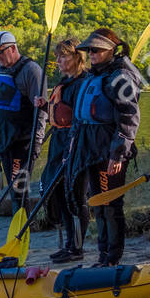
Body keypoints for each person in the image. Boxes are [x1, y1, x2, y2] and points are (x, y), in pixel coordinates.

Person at [67, 29, 143, 267]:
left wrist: (118, 153)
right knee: (97, 203)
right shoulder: (94, 75)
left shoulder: (120, 77)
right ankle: (103, 255)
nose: (91, 54)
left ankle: (112, 257)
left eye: (96, 50)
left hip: (110, 153)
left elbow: (129, 117)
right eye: (89, 50)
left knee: (110, 205)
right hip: (90, 151)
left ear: (111, 50)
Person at [0, 30, 48, 206]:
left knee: (19, 190)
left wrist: (37, 140)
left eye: (0, 52)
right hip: (3, 141)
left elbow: (42, 109)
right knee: (14, 190)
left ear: (12, 48)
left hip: (22, 142)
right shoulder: (0, 70)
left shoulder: (32, 71)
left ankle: (22, 229)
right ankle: (17, 227)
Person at [38, 37, 89, 262]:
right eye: (57, 56)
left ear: (77, 57)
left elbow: (80, 118)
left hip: (75, 143)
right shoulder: (64, 82)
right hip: (58, 142)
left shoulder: (83, 83)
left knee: (74, 196)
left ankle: (77, 248)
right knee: (56, 192)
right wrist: (45, 107)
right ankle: (69, 243)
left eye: (63, 56)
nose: (58, 60)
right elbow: (59, 115)